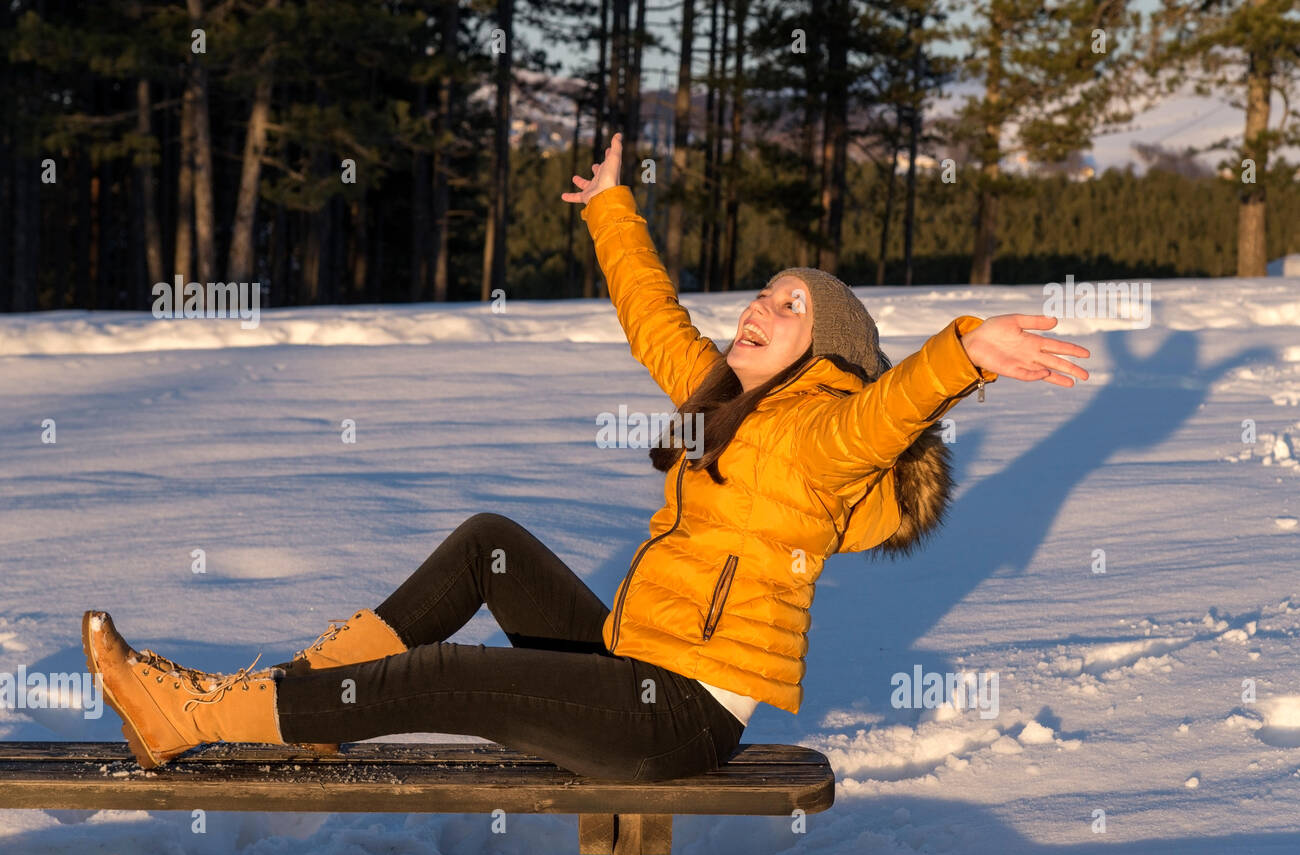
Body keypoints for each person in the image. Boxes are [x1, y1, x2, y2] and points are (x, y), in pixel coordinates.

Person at [82, 132, 1090, 782]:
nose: (760, 306)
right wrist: (612, 208)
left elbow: (886, 415)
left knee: (447, 677)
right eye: (764, 290)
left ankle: (192, 715)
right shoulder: (723, 406)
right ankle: (302, 693)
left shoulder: (821, 435)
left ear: (826, 353)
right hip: (633, 660)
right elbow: (654, 321)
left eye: (791, 306)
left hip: (679, 716)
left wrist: (962, 355)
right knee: (491, 545)